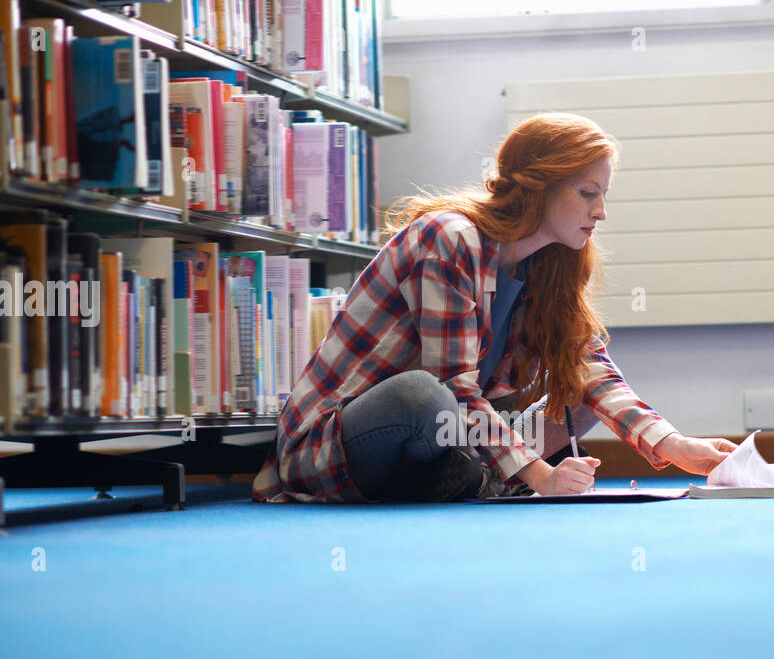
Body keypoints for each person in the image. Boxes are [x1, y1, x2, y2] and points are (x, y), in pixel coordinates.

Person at [252, 112, 738, 504]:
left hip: (445, 438)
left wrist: (673, 446)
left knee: (578, 395)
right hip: (341, 443)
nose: (600, 212)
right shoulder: (450, 238)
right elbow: (455, 392)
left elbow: (593, 369)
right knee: (425, 396)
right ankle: (486, 477)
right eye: (587, 193)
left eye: (603, 195)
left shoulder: (550, 264)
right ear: (539, 187)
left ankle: (469, 477)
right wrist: (541, 474)